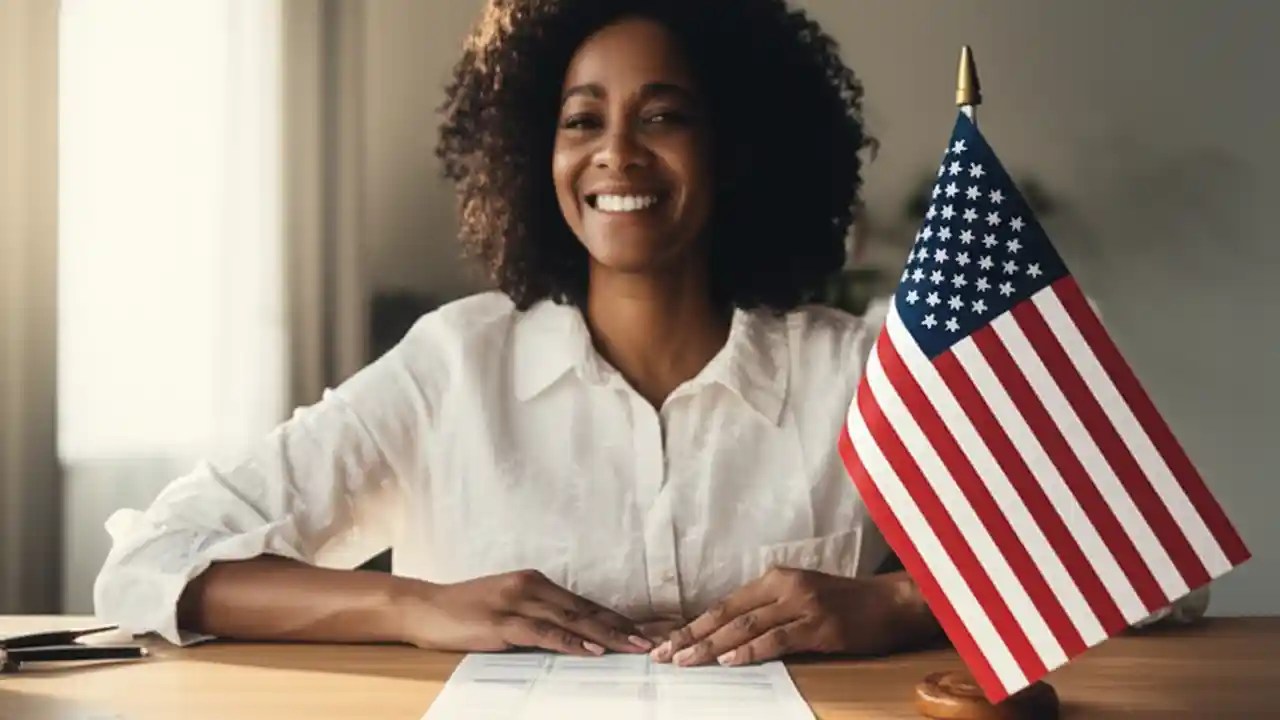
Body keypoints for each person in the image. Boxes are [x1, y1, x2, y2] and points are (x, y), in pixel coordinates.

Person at [95, 0, 943, 669]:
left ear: (734, 152)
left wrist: (893, 603)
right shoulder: (451, 368)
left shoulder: (856, 372)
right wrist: (416, 605)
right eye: (582, 120)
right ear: (534, 155)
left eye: (663, 116)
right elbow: (152, 561)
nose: (617, 153)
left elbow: (1067, 556)